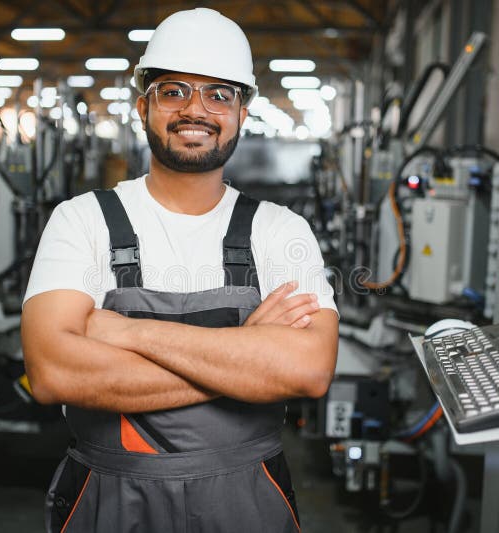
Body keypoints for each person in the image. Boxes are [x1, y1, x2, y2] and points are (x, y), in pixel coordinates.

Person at [21, 7, 338, 532]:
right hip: (109, 501)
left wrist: (124, 331)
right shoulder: (81, 221)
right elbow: (53, 373)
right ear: (144, 106)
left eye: (219, 94)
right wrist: (246, 356)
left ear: (242, 111)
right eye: (174, 92)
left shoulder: (282, 232)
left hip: (246, 500)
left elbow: (307, 369)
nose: (197, 110)